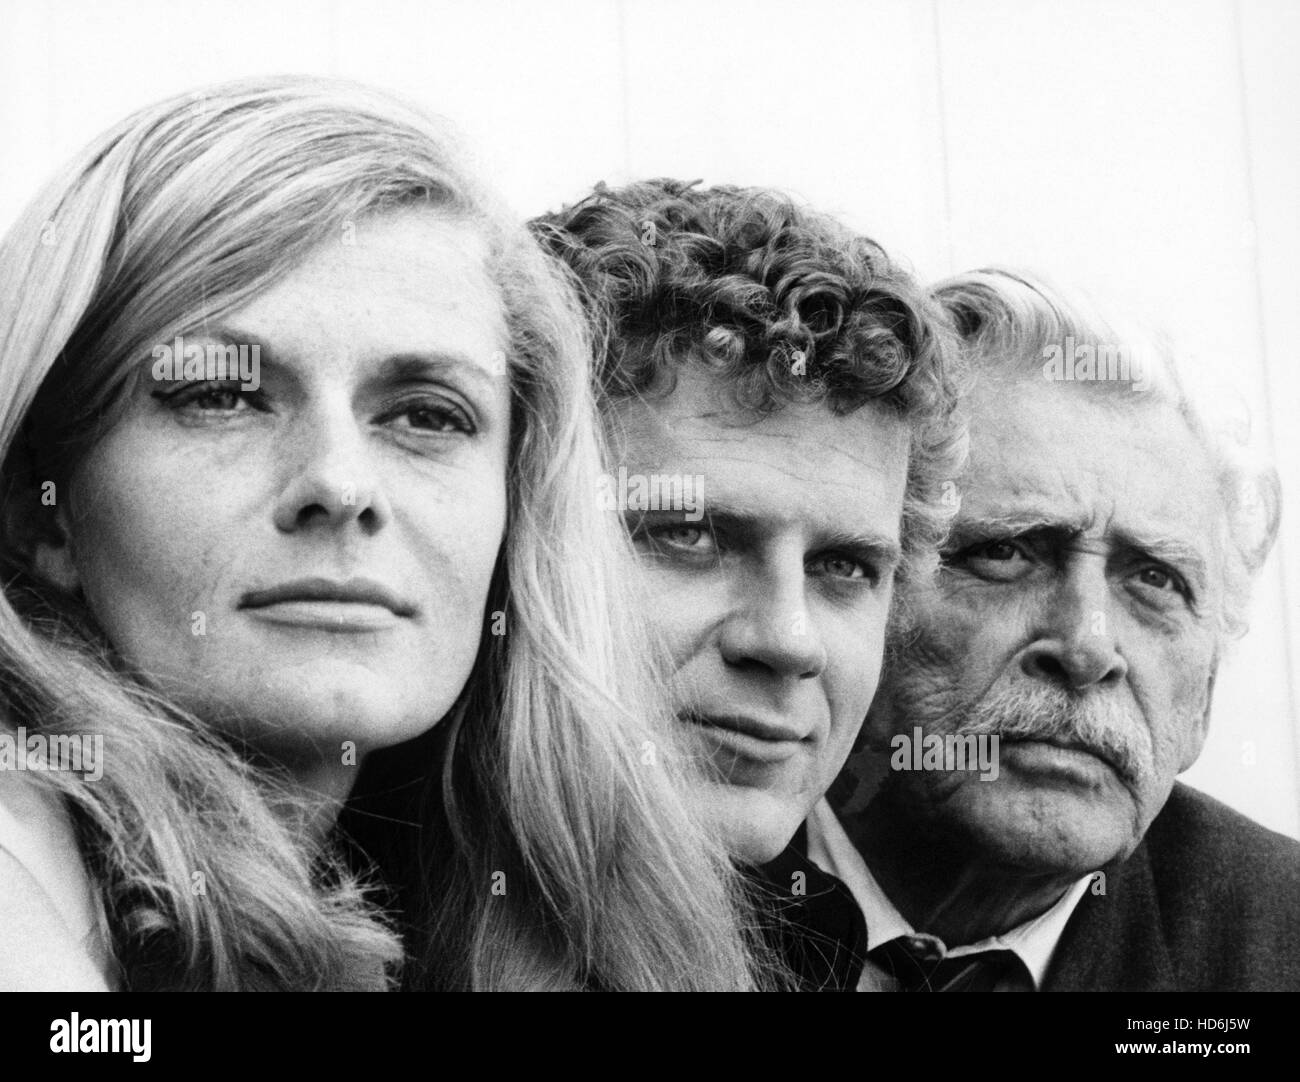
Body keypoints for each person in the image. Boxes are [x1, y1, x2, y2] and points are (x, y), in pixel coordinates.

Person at [0, 79, 770, 991]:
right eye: (221, 395)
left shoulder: (506, 895)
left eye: (425, 415)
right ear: (41, 506)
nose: (340, 482)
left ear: (516, 499)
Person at [532, 179, 965, 987]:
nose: (789, 640)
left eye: (844, 568)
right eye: (689, 536)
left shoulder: (831, 956)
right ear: (514, 532)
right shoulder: (310, 946)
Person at [824, 268, 1300, 991]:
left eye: (1155, 582)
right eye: (1005, 553)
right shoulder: (645, 882)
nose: (1086, 646)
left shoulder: (1277, 947)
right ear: (860, 588)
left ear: (1201, 699)